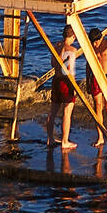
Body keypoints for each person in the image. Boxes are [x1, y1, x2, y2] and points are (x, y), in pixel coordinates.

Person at [85, 26, 107, 148]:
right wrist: (87, 80)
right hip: (95, 77)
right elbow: (88, 64)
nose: (95, 45)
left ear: (100, 39)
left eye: (96, 42)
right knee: (97, 106)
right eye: (93, 43)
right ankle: (100, 136)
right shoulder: (91, 47)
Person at [45, 23, 78, 151]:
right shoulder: (71, 50)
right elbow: (70, 69)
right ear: (73, 36)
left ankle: (50, 138)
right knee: (67, 111)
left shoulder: (56, 46)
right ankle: (65, 140)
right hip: (66, 81)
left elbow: (52, 63)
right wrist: (73, 86)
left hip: (56, 79)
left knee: (53, 111)